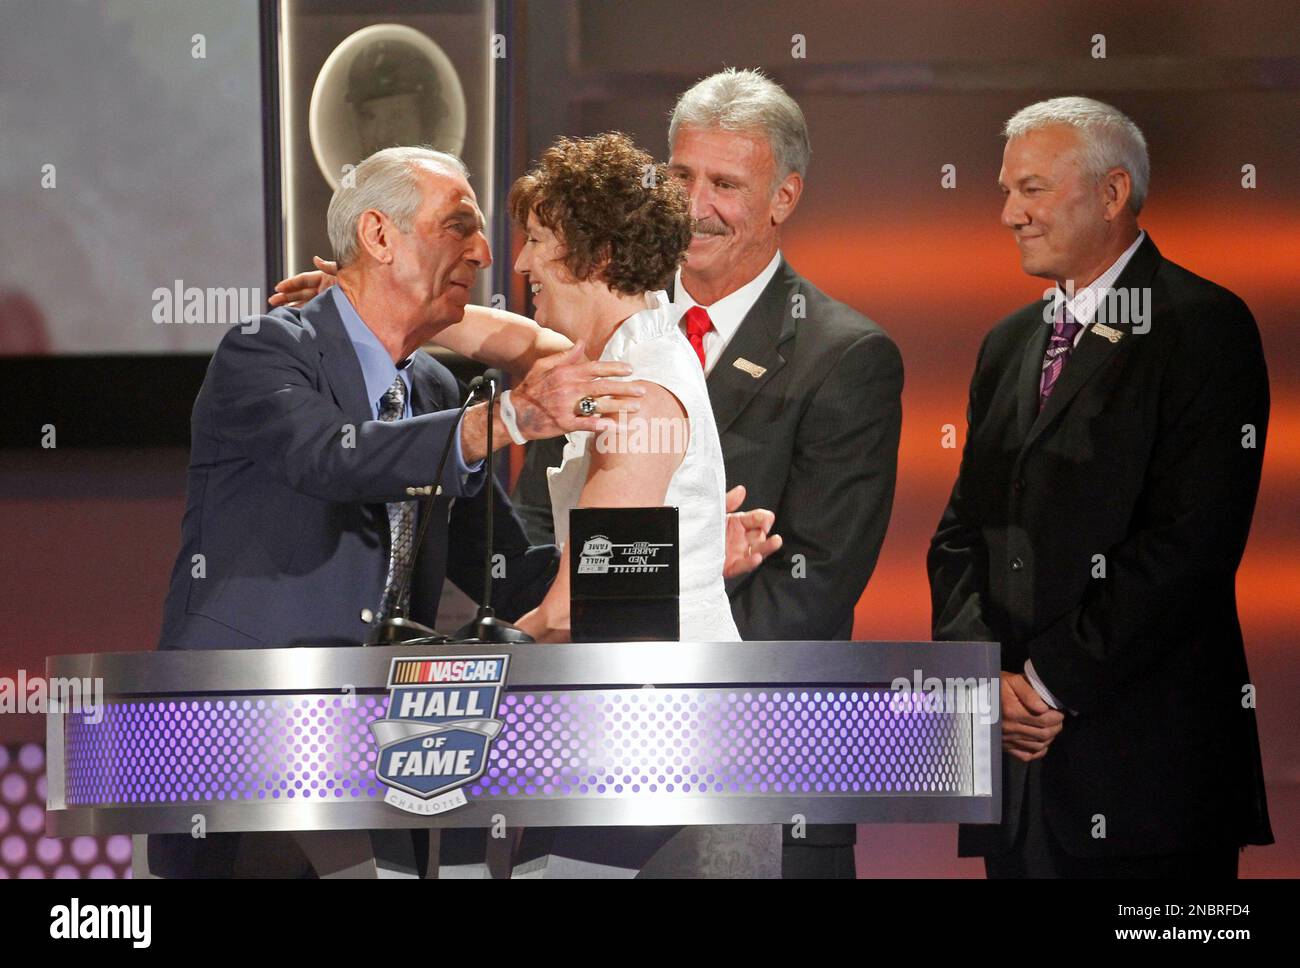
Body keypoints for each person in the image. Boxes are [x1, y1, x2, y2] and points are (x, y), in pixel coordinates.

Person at [277, 68, 900, 878]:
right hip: (624, 731)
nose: (523, 262)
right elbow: (505, 338)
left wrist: (442, 683)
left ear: (596, 255)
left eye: (539, 241)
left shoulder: (636, 394)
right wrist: (363, 292)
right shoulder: (620, 350)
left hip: (673, 746)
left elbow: (580, 609)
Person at [151, 145, 775, 877]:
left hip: (474, 756)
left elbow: (512, 579)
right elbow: (333, 458)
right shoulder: (265, 354)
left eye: (534, 241)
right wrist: (494, 413)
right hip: (245, 739)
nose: (500, 259)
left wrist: (673, 558)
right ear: (381, 238)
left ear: (595, 254)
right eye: (461, 228)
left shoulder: (461, 391)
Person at [927, 97, 1273, 877]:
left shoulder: (1203, 326)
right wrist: (989, 682)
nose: (1010, 213)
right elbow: (960, 534)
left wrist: (1048, 684)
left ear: (1112, 193)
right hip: (1018, 783)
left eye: (1033, 190)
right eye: (1005, 192)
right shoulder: (1007, 343)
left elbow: (1191, 547)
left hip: (1146, 779)